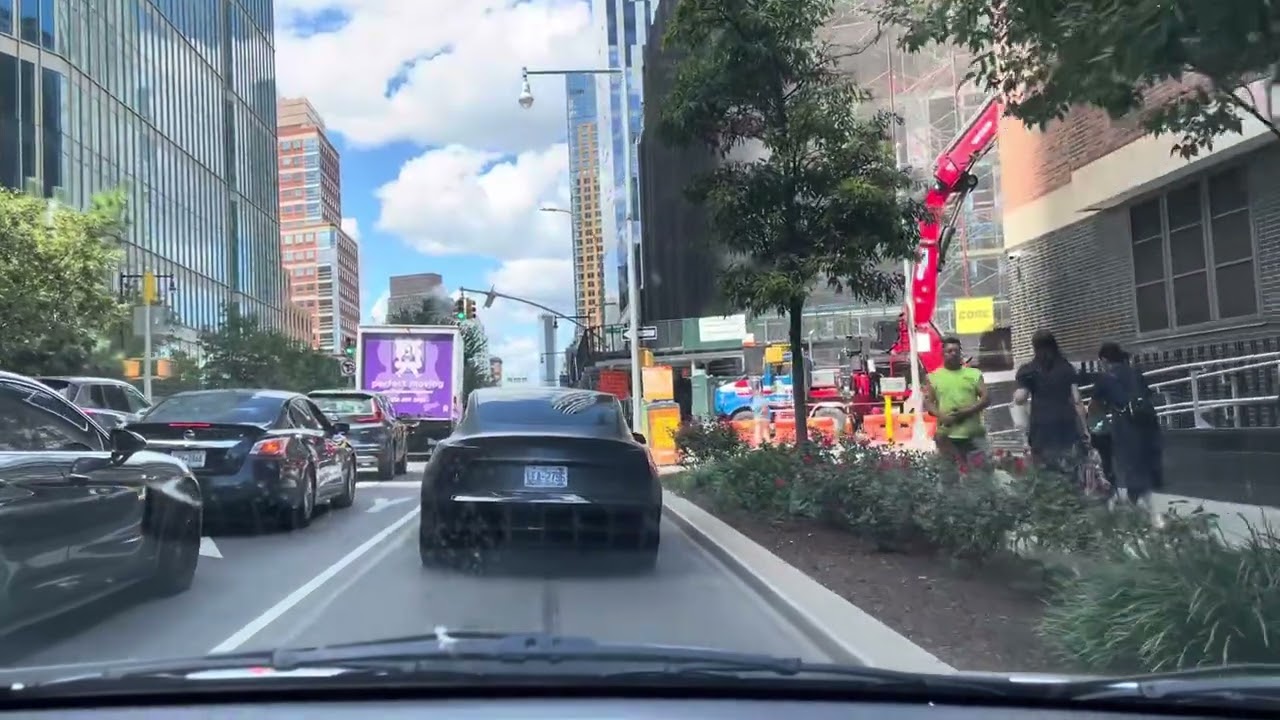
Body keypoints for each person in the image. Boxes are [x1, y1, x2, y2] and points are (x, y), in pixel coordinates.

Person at [1089, 342, 1163, 505]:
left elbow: (1094, 408)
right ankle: (1144, 497)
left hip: (1125, 424)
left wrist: (1097, 429)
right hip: (1147, 422)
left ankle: (1134, 501)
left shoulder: (1105, 379)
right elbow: (1147, 395)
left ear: (1104, 360)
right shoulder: (1135, 372)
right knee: (1143, 458)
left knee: (1128, 460)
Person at [1013, 330, 1086, 473]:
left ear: (1034, 347)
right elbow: (1077, 400)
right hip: (1066, 423)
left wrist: (1016, 393)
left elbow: (1021, 398)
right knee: (1069, 466)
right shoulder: (1066, 367)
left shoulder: (1030, 370)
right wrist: (1084, 429)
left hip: (1041, 425)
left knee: (1045, 468)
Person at [924, 336, 990, 466]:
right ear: (943, 354)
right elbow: (929, 403)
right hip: (946, 436)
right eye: (949, 351)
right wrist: (941, 415)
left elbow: (986, 399)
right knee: (949, 477)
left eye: (956, 351)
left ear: (960, 352)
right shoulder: (933, 377)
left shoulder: (974, 374)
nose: (953, 354)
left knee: (980, 476)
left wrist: (966, 412)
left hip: (973, 435)